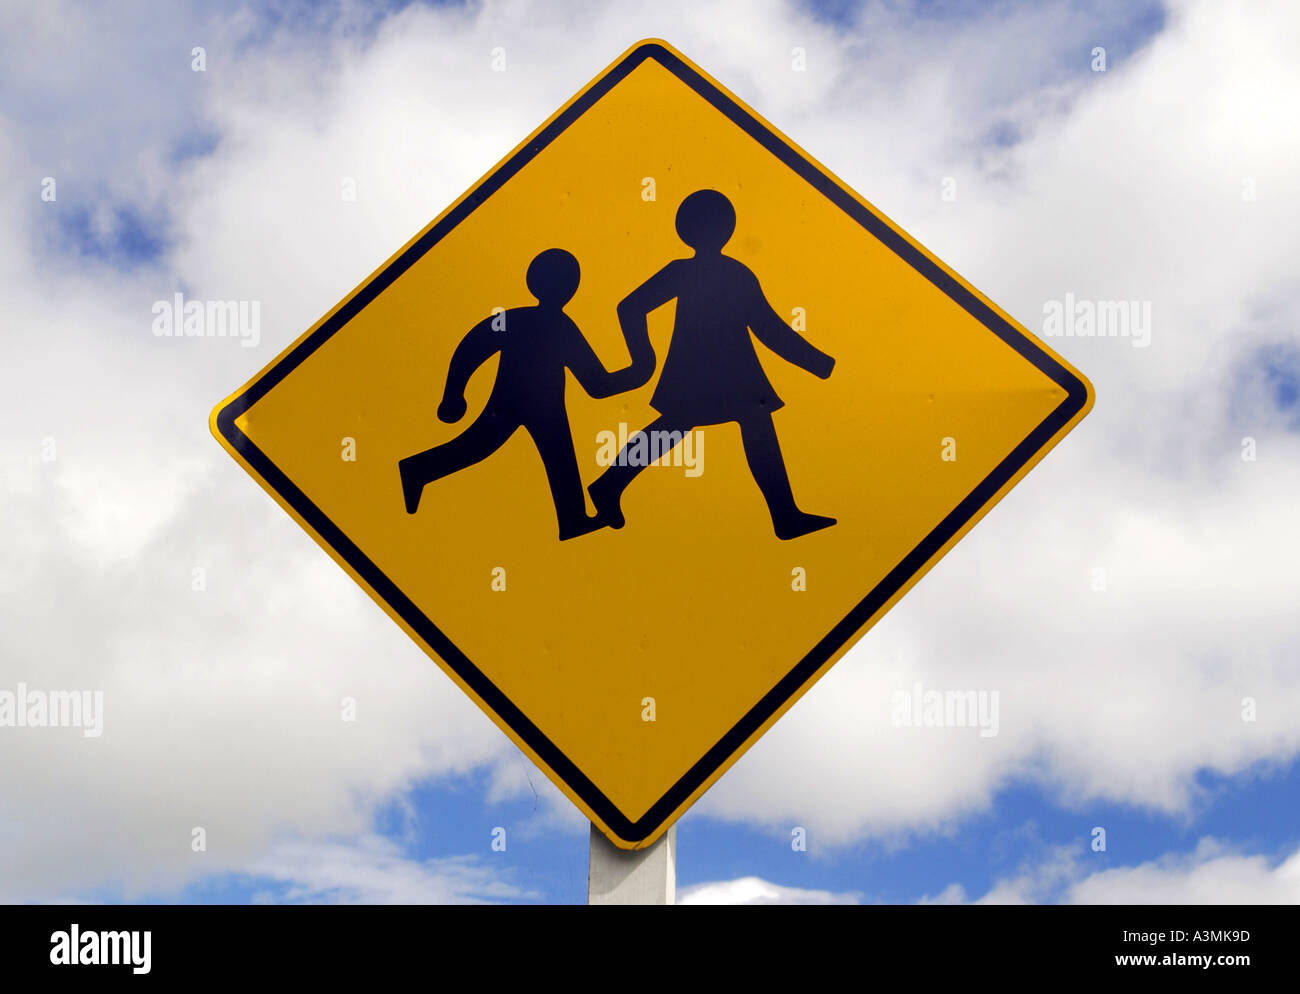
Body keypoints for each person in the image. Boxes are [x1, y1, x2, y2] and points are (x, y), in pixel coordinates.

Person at [588, 189, 837, 540]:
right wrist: (643, 358)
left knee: (714, 425)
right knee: (693, 426)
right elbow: (630, 307)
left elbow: (767, 326)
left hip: (728, 371)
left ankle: (609, 485)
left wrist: (816, 362)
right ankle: (609, 485)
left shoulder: (732, 274)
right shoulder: (704, 272)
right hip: (707, 371)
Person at [398, 248, 635, 540]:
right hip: (517, 402)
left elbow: (595, 383)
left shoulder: (540, 323)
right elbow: (472, 348)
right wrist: (452, 396)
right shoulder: (537, 323)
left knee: (553, 456)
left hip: (541, 406)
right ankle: (415, 470)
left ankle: (572, 518)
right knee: (481, 448)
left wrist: (637, 374)